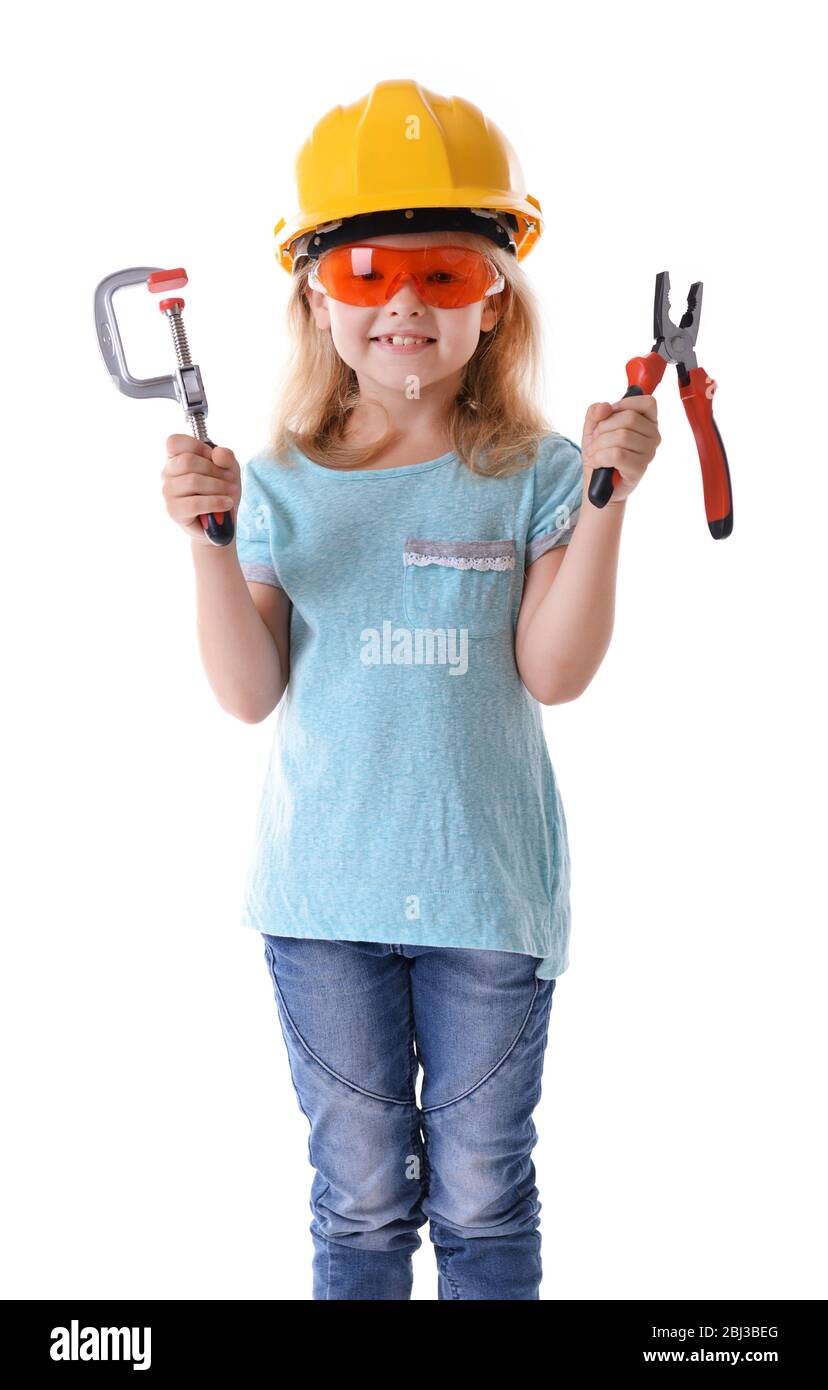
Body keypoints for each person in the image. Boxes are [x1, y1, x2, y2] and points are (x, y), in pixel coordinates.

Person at [161, 79, 660, 1300]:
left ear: (494, 300)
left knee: (486, 1194)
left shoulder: (536, 472)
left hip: (487, 900)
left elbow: (555, 670)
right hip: (324, 899)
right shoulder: (273, 483)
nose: (403, 307)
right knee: (363, 1199)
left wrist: (605, 503)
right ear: (317, 293)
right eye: (371, 270)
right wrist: (209, 540)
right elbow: (245, 692)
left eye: (444, 275)